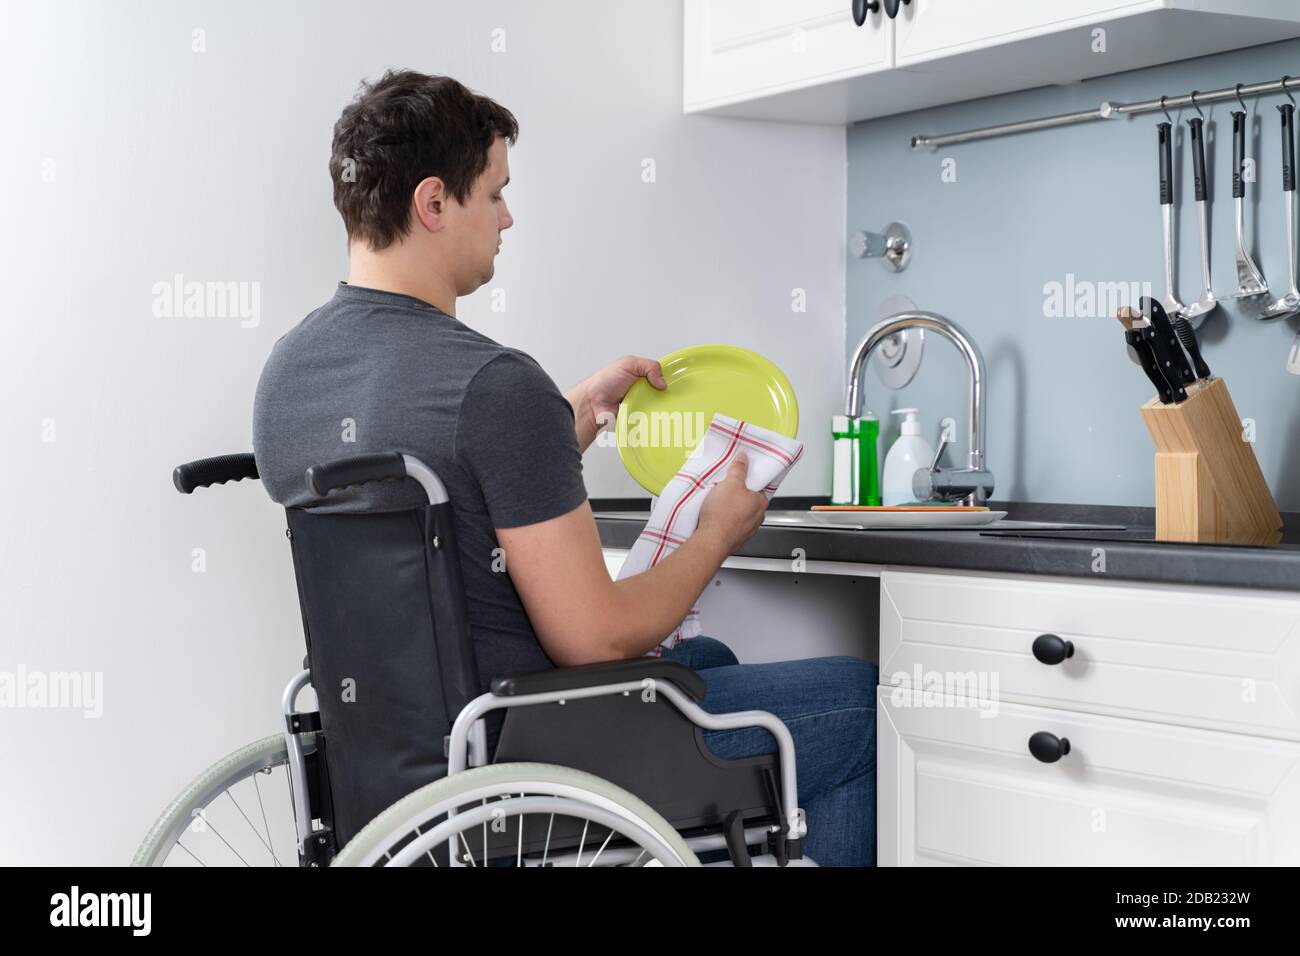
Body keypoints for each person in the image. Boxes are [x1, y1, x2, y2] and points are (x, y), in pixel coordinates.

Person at [251, 69, 877, 866]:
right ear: (434, 203)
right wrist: (717, 532)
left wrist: (562, 424)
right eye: (495, 194)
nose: (509, 218)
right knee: (858, 702)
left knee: (708, 664)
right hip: (533, 764)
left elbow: (440, 520)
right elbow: (599, 639)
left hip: (390, 766)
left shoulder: (290, 376)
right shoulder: (493, 385)